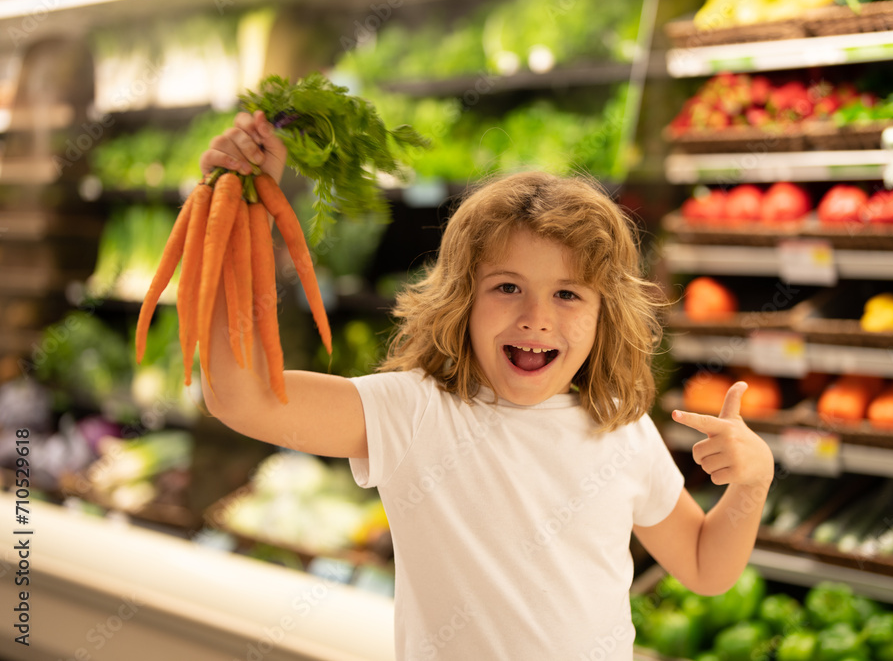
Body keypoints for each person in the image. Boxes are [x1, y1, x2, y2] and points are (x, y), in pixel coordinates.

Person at [199, 110, 774, 660]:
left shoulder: (620, 425)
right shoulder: (416, 410)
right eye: (506, 287)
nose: (537, 317)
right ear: (462, 300)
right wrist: (244, 209)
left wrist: (753, 481)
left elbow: (705, 567)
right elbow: (240, 396)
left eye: (568, 294)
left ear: (606, 316)